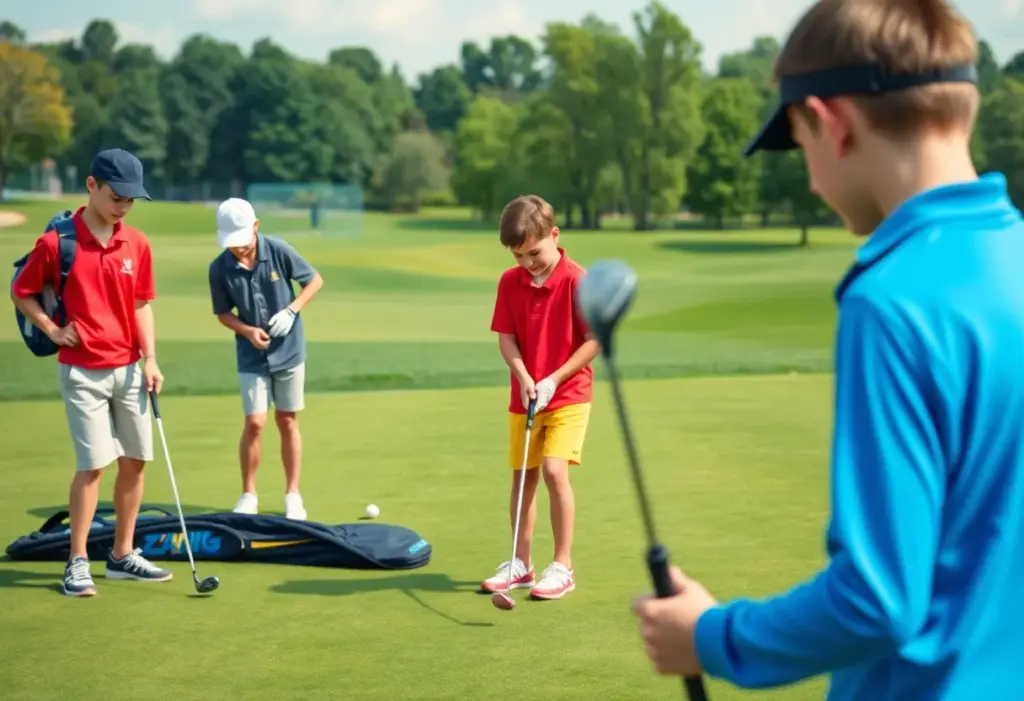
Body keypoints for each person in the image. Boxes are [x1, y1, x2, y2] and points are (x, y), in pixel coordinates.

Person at [631, 0, 1024, 699]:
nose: (811, 180)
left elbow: (877, 600)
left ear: (833, 123)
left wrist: (711, 635)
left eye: (801, 143)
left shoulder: (893, 298)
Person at [11, 148, 172, 597]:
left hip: (129, 369)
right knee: (92, 466)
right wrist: (51, 328)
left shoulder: (136, 243)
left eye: (131, 200)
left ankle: (121, 556)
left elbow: (142, 304)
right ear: (91, 186)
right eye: (116, 195)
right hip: (83, 372)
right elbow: (21, 290)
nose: (123, 206)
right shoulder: (56, 242)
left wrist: (151, 358)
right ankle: (77, 561)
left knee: (136, 461)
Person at [480, 194, 600, 601]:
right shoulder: (509, 282)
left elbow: (594, 340)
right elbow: (507, 338)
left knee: (553, 471)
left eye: (534, 252)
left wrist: (553, 378)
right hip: (526, 395)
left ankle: (563, 566)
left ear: (554, 235)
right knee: (523, 477)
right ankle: (520, 563)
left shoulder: (577, 281)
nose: (527, 263)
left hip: (569, 393)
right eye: (518, 256)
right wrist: (525, 376)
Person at [207, 198, 323, 520]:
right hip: (251, 354)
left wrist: (291, 310)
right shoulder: (219, 268)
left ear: (255, 227)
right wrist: (246, 331)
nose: (239, 250)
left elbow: (314, 281)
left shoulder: (279, 250)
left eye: (242, 242)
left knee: (287, 420)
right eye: (232, 244)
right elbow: (222, 313)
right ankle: (248, 494)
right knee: (255, 423)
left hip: (289, 350)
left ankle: (293, 495)